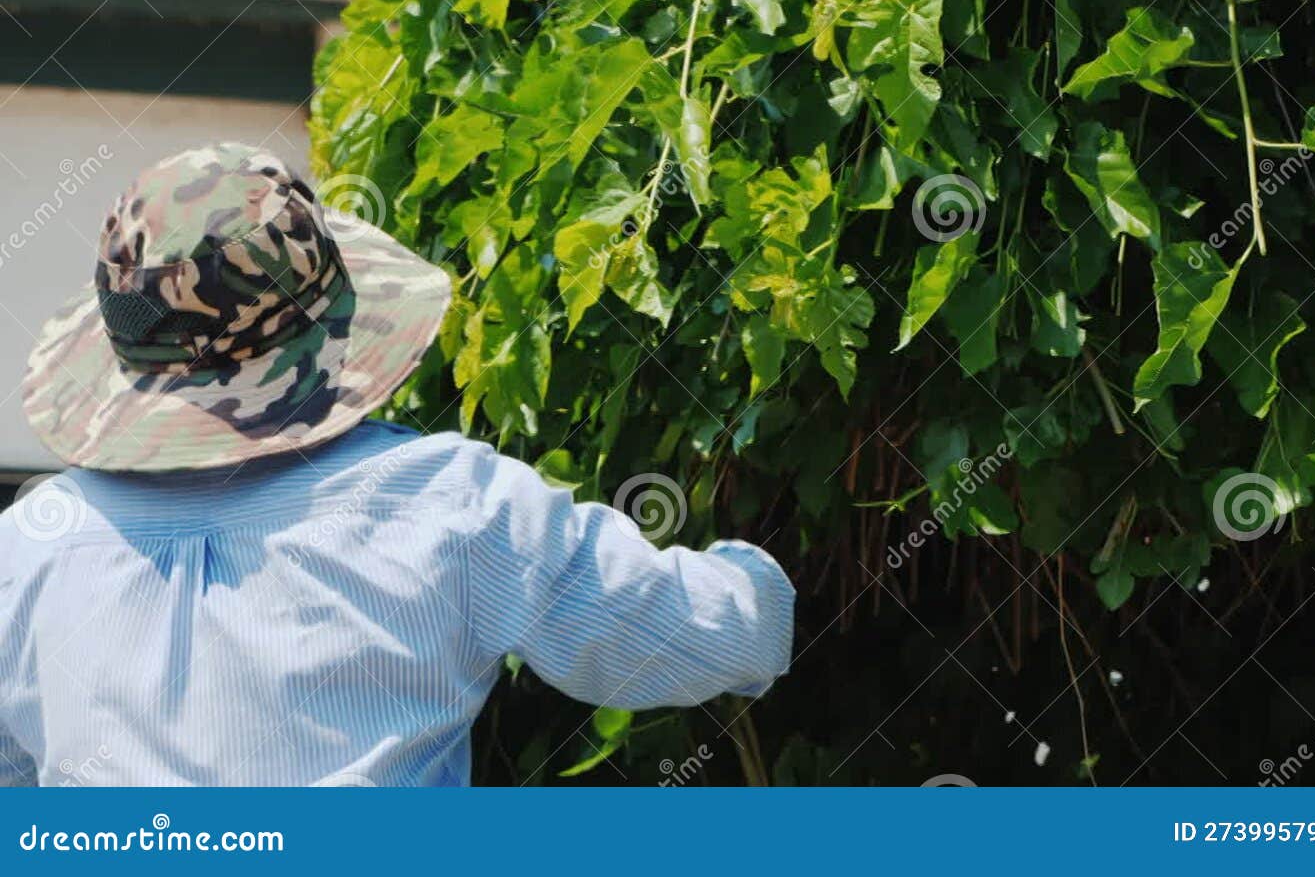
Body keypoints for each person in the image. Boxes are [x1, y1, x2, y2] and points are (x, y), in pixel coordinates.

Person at [0, 143, 794, 786]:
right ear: (333, 329)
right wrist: (763, 575)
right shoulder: (450, 504)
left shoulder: (30, 545)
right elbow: (686, 643)